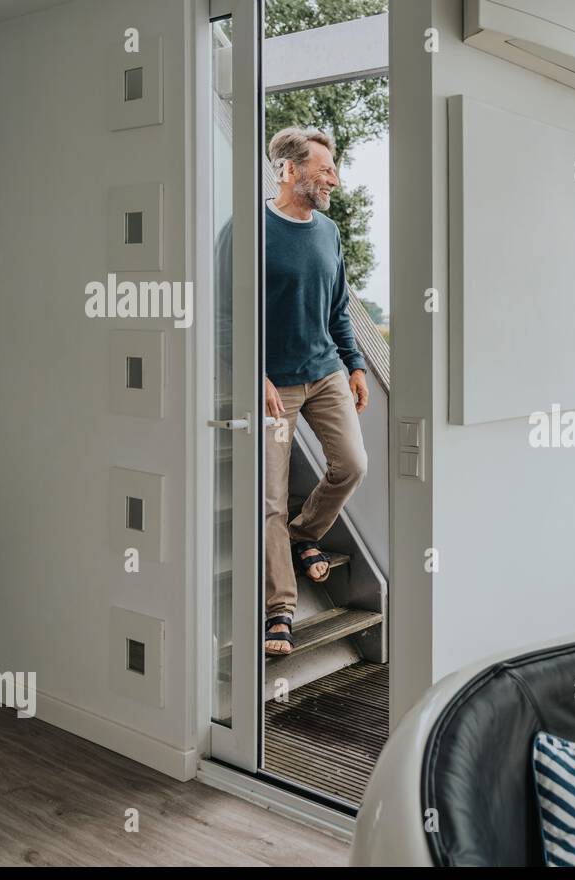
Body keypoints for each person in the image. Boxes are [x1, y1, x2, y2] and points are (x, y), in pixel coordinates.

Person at [258, 126, 369, 654]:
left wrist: (355, 365)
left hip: (325, 373)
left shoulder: (328, 230)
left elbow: (338, 307)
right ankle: (279, 609)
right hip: (274, 384)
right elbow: (225, 314)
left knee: (352, 464)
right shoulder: (250, 228)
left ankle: (304, 537)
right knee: (270, 499)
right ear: (289, 170)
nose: (334, 179)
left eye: (333, 169)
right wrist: (252, 375)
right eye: (325, 169)